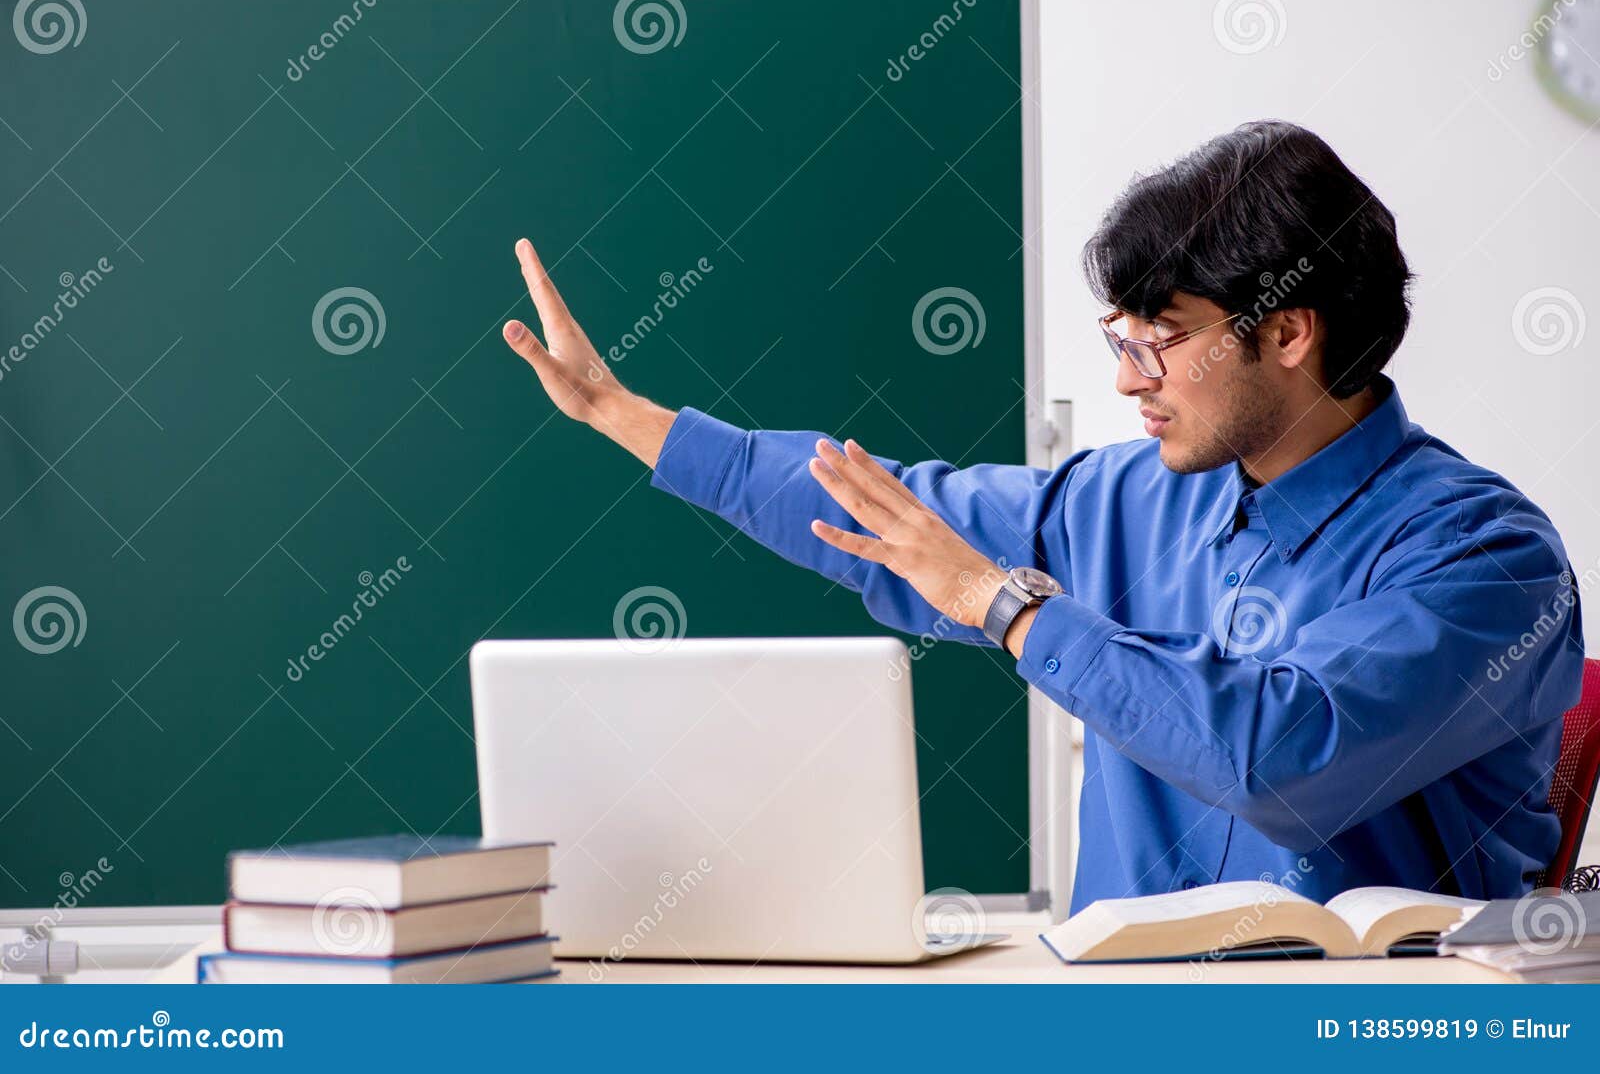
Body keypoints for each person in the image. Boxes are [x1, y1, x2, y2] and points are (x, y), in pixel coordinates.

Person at [500, 120, 1583, 913]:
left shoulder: (1485, 560)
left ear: (1288, 333)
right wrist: (631, 419)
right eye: (1121, 341)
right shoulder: (1127, 496)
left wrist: (1008, 606)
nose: (1126, 382)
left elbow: (1277, 761)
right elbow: (889, 513)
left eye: (1156, 338)